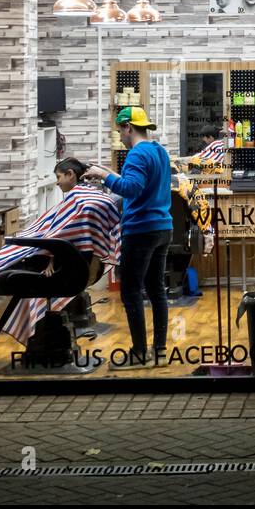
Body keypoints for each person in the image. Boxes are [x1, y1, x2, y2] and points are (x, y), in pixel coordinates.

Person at [0, 157, 121, 347]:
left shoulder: (80, 201)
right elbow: (67, 236)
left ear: (70, 175)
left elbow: (61, 236)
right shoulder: (92, 197)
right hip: (74, 266)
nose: (57, 182)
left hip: (66, 270)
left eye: (59, 177)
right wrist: (52, 255)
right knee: (1, 269)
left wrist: (50, 255)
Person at [83, 107, 173, 365]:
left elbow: (132, 189)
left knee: (131, 291)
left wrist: (104, 175)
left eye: (120, 131)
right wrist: (108, 174)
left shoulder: (136, 154)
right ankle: (160, 351)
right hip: (163, 228)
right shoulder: (159, 151)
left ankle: (139, 353)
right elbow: (142, 185)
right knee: (157, 290)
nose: (120, 137)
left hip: (141, 230)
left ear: (128, 128)